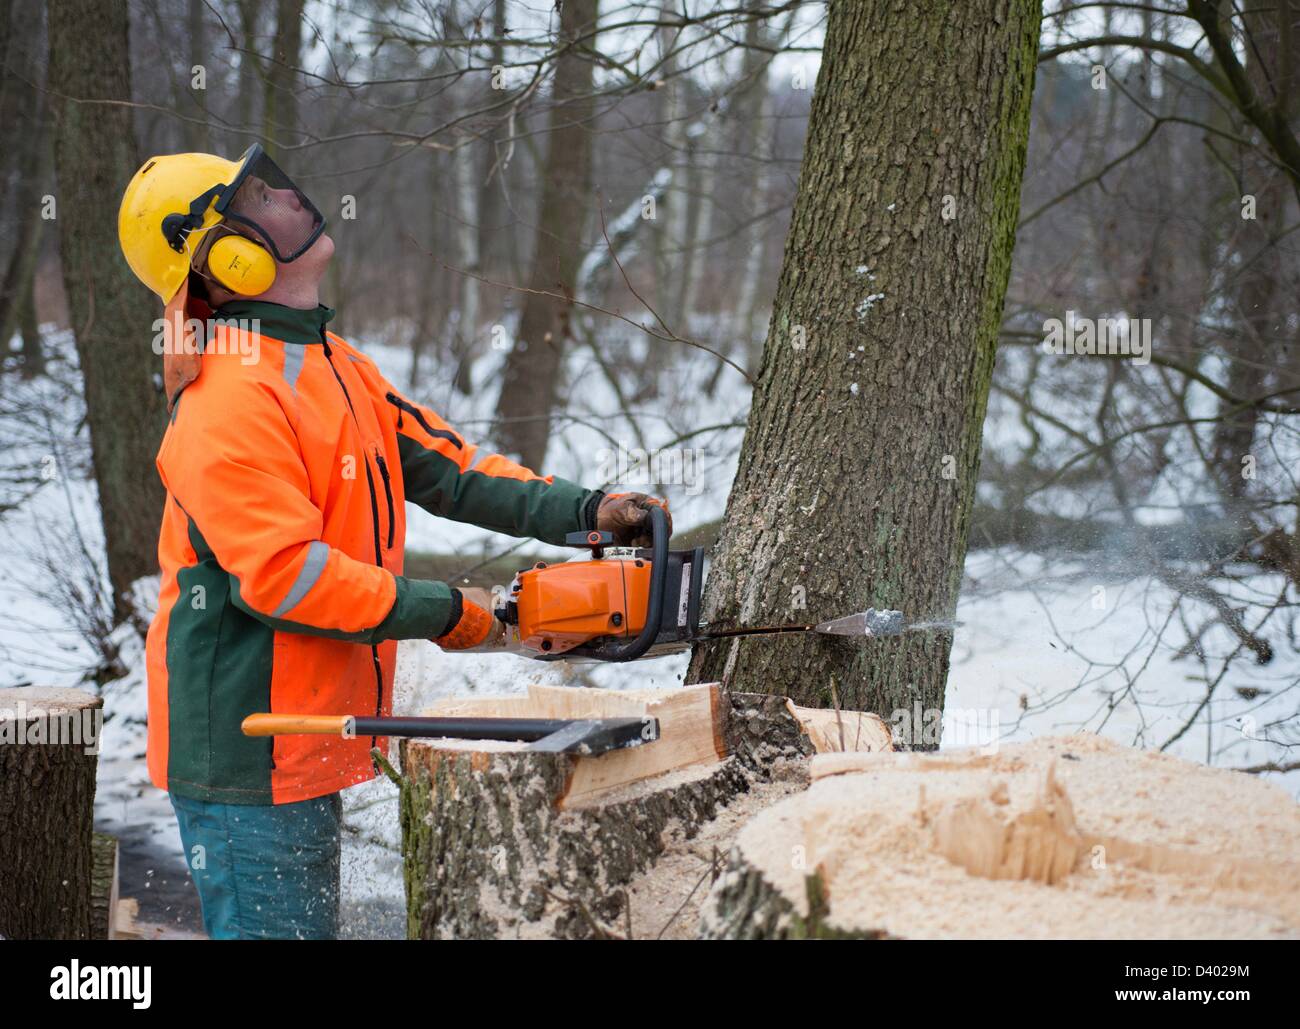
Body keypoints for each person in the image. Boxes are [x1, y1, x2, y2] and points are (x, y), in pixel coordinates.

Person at [116, 144, 671, 939]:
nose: (289, 201)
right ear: (227, 258)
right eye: (259, 198)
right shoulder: (227, 400)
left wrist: (589, 510)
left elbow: (453, 469)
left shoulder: (335, 364)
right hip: (248, 746)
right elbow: (290, 579)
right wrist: (456, 612)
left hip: (298, 733)